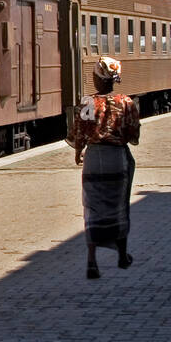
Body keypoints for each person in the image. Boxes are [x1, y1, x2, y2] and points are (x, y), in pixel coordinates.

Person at [66, 56, 140, 279]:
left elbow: (77, 133)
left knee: (92, 208)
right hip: (117, 158)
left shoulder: (88, 103)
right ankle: (122, 255)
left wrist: (79, 152)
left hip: (94, 159)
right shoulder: (126, 103)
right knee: (120, 205)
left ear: (99, 80)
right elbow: (134, 135)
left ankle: (91, 261)